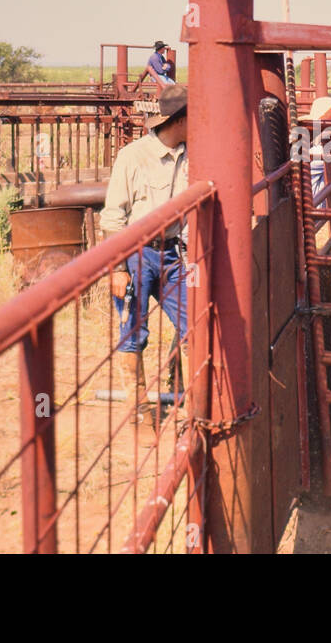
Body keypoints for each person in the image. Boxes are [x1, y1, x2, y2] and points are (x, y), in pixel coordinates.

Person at [100, 85, 189, 424]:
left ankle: (191, 398)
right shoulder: (133, 156)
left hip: (173, 254)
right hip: (136, 253)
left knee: (192, 324)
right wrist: (118, 268)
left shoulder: (190, 153)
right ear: (180, 120)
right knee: (133, 331)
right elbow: (113, 216)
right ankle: (137, 410)